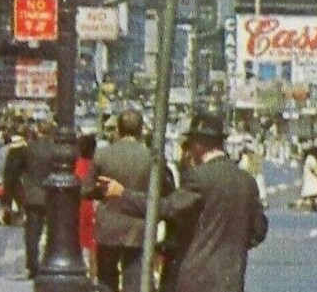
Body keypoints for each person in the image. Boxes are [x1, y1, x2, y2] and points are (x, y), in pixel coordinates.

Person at [100, 111, 267, 292]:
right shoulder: (246, 181)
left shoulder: (198, 178)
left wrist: (123, 194)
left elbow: (167, 208)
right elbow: (259, 229)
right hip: (231, 280)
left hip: (195, 278)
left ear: (199, 144)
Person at [88, 110, 155, 292]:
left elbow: (86, 189)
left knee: (106, 277)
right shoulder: (151, 158)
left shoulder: (102, 155)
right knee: (134, 277)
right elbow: (161, 194)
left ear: (118, 129)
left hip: (109, 224)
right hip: (137, 225)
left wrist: (103, 193)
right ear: (141, 130)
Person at [19, 125, 58, 278]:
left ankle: (33, 265)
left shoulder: (29, 149)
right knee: (54, 231)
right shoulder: (56, 150)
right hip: (52, 194)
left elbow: (20, 170)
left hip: (33, 194)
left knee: (32, 233)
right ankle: (50, 260)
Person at [76, 134, 98, 278]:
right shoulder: (96, 166)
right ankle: (93, 277)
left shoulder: (75, 165)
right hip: (93, 206)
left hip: (79, 207)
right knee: (93, 246)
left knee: (80, 242)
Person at [298, 146, 317, 212]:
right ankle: (313, 206)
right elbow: (313, 168)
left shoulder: (309, 158)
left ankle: (313, 206)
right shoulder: (311, 159)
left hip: (310, 178)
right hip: (312, 178)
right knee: (312, 192)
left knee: (312, 193)